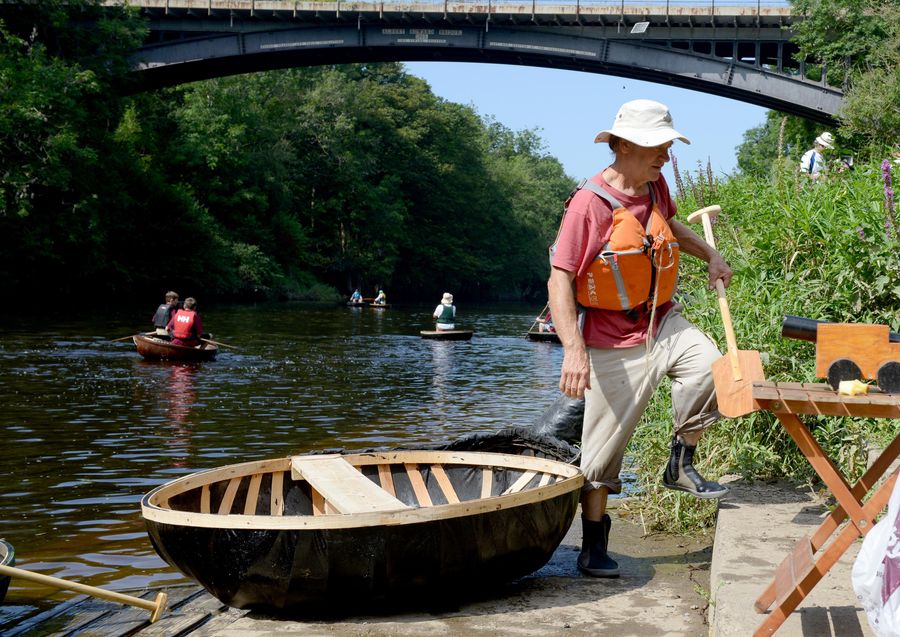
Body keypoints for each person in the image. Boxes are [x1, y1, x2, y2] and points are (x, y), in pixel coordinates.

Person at [548, 99, 732, 579]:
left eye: (668, 147)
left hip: (661, 322)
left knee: (711, 367)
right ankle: (592, 545)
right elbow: (560, 279)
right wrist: (574, 350)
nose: (666, 157)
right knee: (600, 458)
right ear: (623, 144)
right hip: (611, 338)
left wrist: (708, 254)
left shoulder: (655, 185)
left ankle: (680, 463)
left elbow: (666, 227)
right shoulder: (589, 204)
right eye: (658, 147)